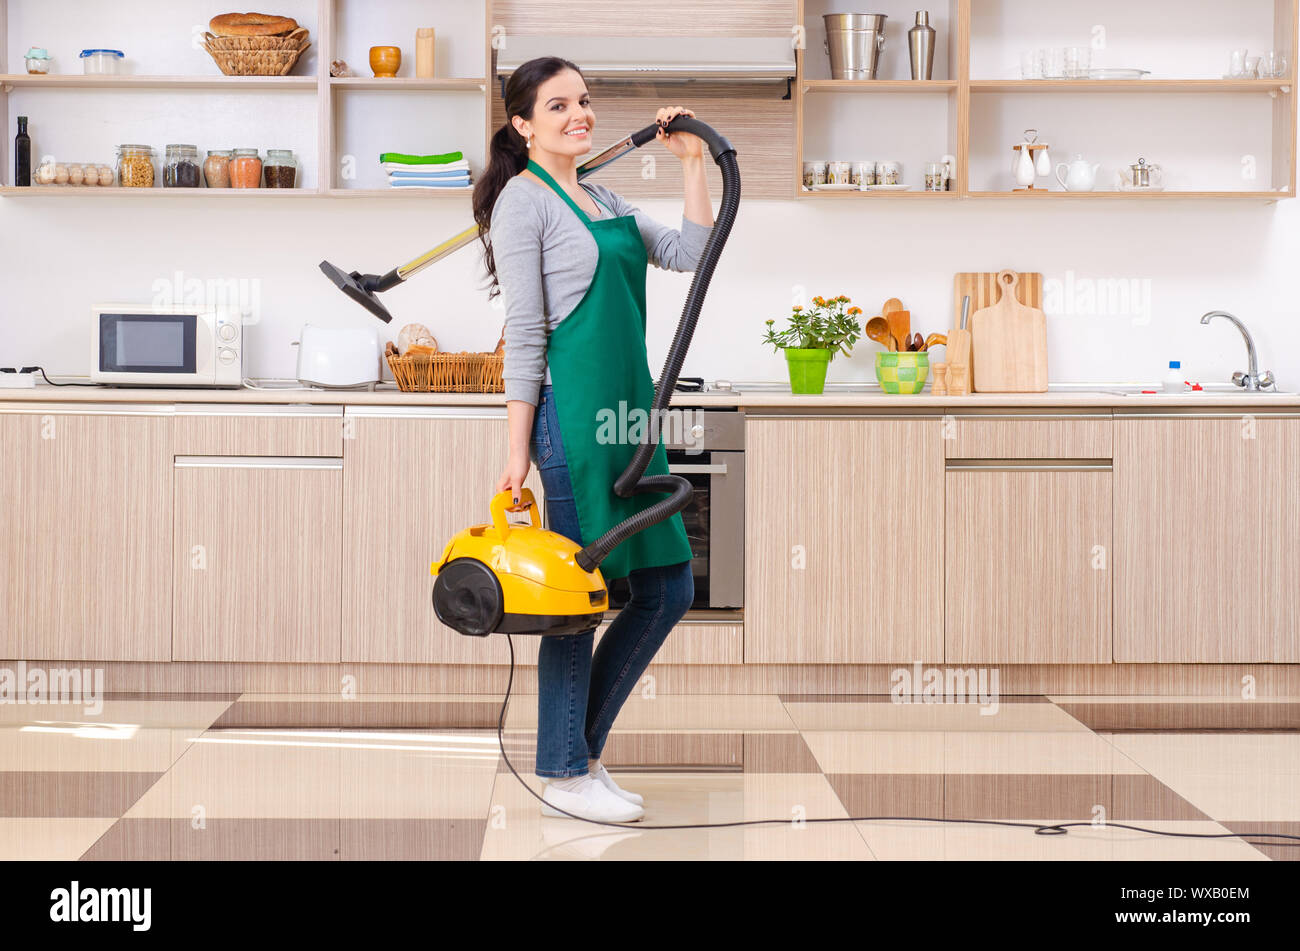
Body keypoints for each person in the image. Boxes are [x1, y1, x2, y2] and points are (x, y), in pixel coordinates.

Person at [473, 56, 714, 822]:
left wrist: (695, 166)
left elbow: (691, 254)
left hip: (628, 420)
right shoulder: (522, 203)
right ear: (522, 124)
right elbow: (524, 333)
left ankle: (582, 755)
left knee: (668, 586)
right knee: (578, 602)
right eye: (557, 106)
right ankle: (564, 772)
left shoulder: (604, 195)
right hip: (571, 418)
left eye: (584, 101)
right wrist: (518, 454)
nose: (579, 114)